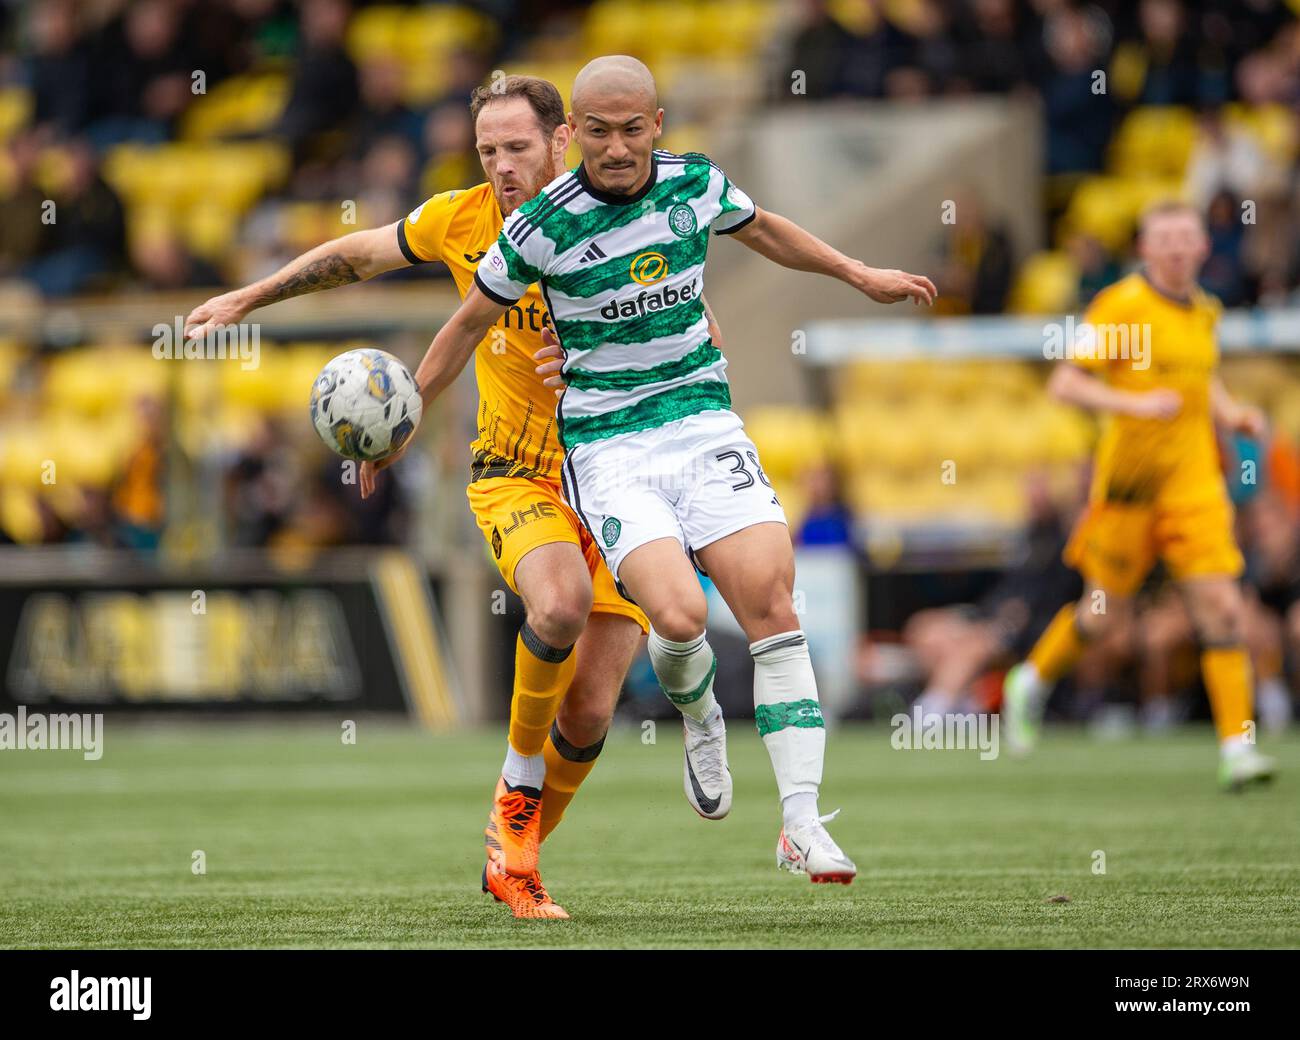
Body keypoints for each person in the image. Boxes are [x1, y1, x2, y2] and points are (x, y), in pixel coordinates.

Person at [385, 54, 935, 883]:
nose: (615, 148)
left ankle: (800, 824)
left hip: (703, 424)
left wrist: (858, 274)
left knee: (773, 606)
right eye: (598, 132)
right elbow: (466, 325)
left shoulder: (695, 184)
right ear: (576, 133)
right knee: (678, 618)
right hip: (611, 448)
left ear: (657, 126)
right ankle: (701, 714)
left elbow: (765, 228)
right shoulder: (541, 228)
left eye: (631, 130)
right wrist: (410, 413)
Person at [186, 76, 679, 919]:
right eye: (487, 150)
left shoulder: (630, 216)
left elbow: (695, 333)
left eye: (517, 147)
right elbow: (358, 255)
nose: (501, 165)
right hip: (515, 470)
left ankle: (513, 852)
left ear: (562, 141)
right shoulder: (462, 220)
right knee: (557, 606)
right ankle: (517, 810)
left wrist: (612, 360)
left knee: (592, 711)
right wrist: (249, 296)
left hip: (622, 473)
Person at [1002, 200, 1277, 791]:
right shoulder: (1121, 305)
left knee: (1223, 607)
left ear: (1203, 246)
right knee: (1104, 616)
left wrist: (1232, 415)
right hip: (1128, 490)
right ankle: (1032, 680)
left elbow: (1201, 378)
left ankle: (1238, 748)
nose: (1177, 248)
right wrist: (1136, 403)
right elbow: (1066, 384)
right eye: (1165, 239)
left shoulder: (1205, 310)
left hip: (1194, 485)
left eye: (1186, 237)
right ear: (1146, 249)